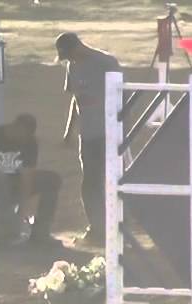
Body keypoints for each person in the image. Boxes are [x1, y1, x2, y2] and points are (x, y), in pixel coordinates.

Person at [56, 31, 121, 247]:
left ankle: (119, 229)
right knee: (90, 184)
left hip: (109, 132)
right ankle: (97, 229)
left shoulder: (106, 63)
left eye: (69, 54)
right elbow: (76, 100)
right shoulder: (72, 67)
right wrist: (69, 131)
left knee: (112, 181)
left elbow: (122, 96)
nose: (69, 59)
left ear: (78, 46)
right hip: (88, 134)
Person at [0, 113, 62, 246]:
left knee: (52, 180)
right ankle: (5, 229)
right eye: (21, 133)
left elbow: (27, 176)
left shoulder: (30, 142)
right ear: (14, 126)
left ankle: (41, 232)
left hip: (13, 184)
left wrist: (23, 208)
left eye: (27, 135)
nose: (23, 138)